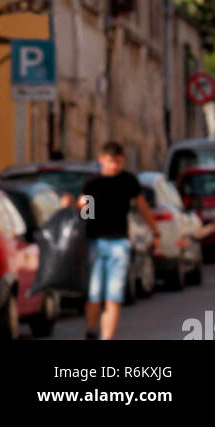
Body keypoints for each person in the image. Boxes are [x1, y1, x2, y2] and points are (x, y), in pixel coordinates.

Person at [71, 141, 161, 341]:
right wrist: (79, 206)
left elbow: (143, 207)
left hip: (119, 243)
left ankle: (106, 337)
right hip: (95, 242)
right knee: (94, 293)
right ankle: (91, 329)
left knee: (113, 295)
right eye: (112, 161)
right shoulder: (92, 184)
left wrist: (155, 232)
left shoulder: (128, 181)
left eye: (119, 162)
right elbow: (87, 215)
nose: (116, 166)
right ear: (101, 160)